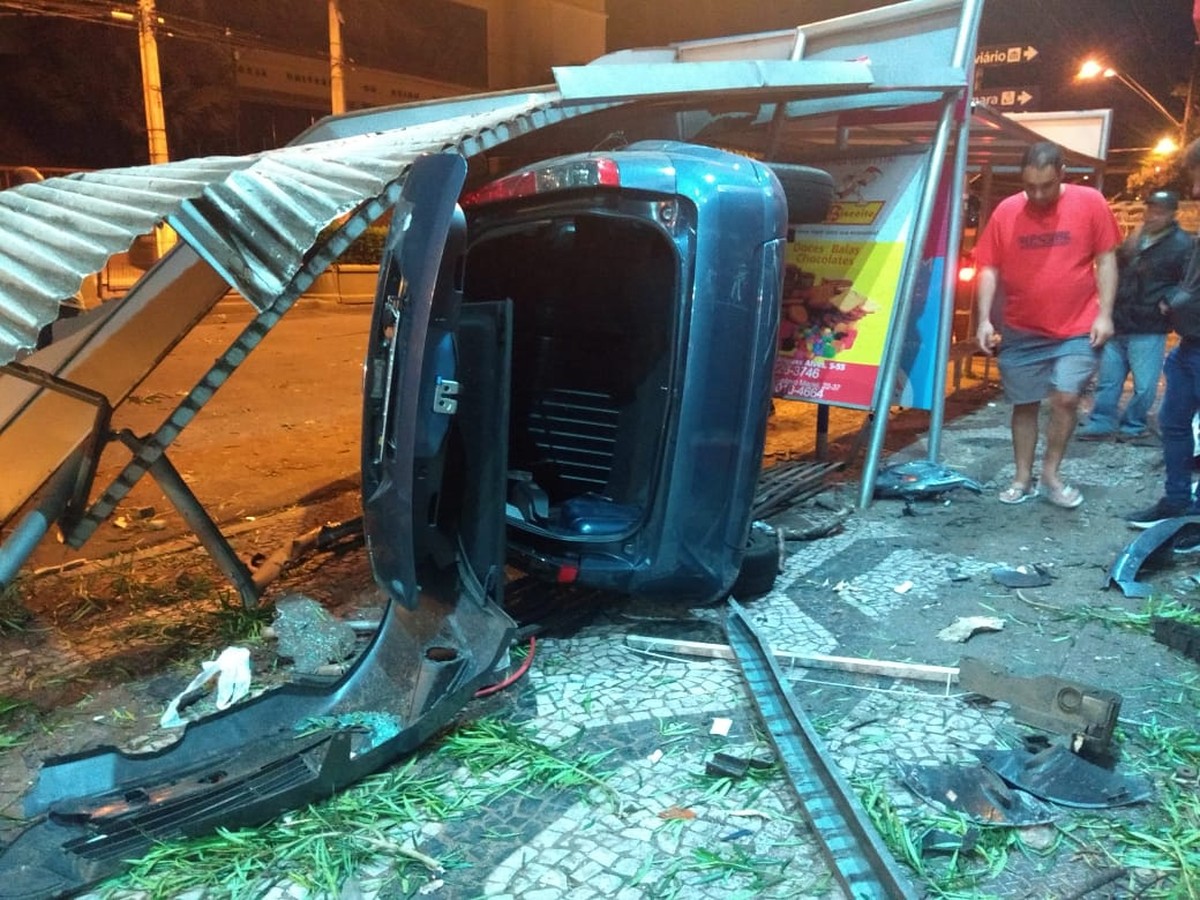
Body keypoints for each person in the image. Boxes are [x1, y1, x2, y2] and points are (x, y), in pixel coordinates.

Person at [975, 141, 1121, 509]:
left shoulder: (1090, 203)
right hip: (1022, 327)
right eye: (1029, 187)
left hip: (1076, 325)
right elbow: (989, 267)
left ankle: (1051, 474)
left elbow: (1105, 260)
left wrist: (1104, 313)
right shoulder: (1007, 211)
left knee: (1066, 397)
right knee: (1023, 404)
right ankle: (1022, 477)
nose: (1037, 194)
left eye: (1046, 186)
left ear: (1062, 175)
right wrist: (982, 319)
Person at [1077, 190, 1192, 443]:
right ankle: (1101, 422)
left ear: (1173, 214)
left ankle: (1133, 425)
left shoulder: (1183, 245)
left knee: (1145, 385)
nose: (1152, 216)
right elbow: (1115, 268)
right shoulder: (1135, 238)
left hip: (1149, 325)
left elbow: (1189, 281)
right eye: (1150, 209)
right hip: (1120, 319)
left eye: (1159, 212)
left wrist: (1170, 300)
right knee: (1109, 379)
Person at [1125, 139, 1200, 527]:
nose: (1196, 189)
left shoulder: (1183, 241)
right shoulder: (1144, 239)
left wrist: (1177, 302)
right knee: (1172, 421)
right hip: (1190, 345)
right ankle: (1176, 502)